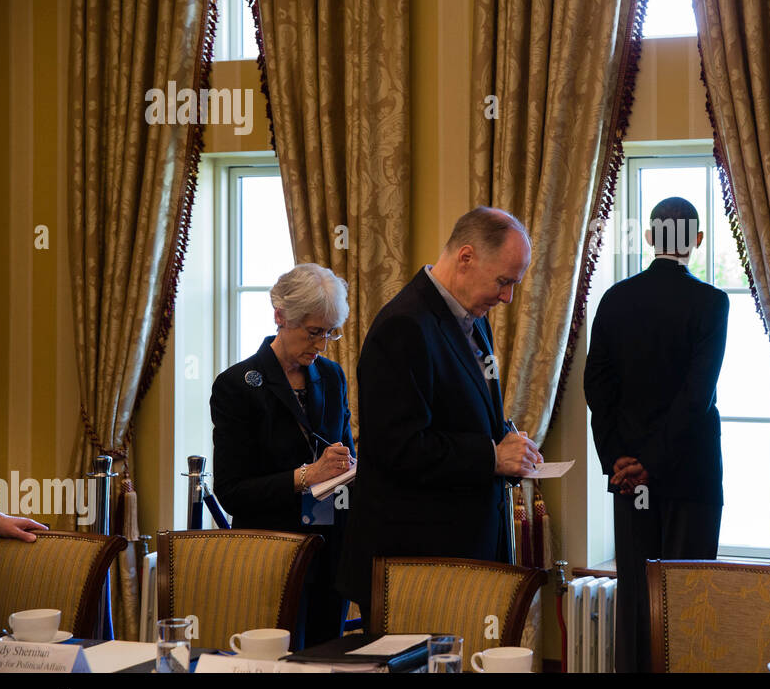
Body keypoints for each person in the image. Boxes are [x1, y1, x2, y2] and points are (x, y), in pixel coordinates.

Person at [338, 207, 542, 616]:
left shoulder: (472, 318)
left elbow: (471, 411)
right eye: (503, 281)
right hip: (414, 561)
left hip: (466, 549)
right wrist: (492, 456)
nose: (507, 297)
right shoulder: (403, 326)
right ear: (466, 257)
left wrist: (508, 438)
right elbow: (397, 448)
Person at [584, 196, 730, 673]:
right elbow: (696, 397)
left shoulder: (615, 299)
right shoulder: (712, 302)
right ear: (697, 240)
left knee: (636, 605)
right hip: (691, 476)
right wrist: (651, 459)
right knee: (687, 604)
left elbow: (596, 387)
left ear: (649, 238)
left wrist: (619, 462)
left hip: (631, 481)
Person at [211, 263, 355, 648]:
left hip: (331, 552)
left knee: (328, 660)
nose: (322, 344)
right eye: (313, 332)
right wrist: (306, 476)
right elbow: (231, 491)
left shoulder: (332, 375)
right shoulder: (237, 386)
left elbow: (344, 456)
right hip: (270, 555)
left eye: (329, 333)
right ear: (280, 317)